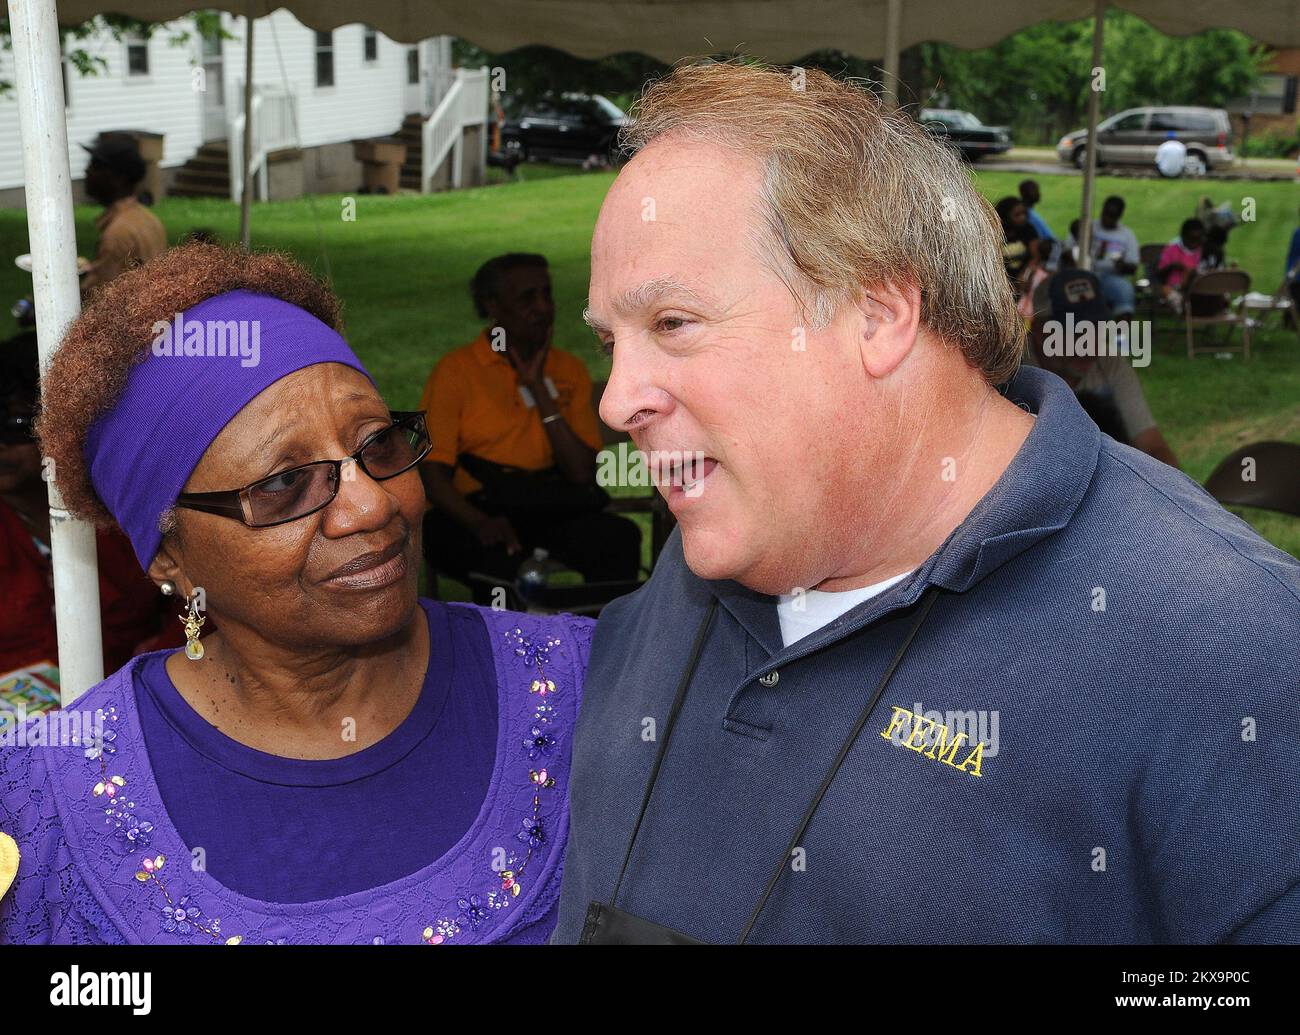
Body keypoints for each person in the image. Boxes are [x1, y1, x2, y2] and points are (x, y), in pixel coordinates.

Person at [554, 61, 1298, 945]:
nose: (613, 399)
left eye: (672, 324)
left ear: (877, 312)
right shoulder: (718, 533)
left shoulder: (1238, 651)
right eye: (610, 341)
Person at [0, 243, 591, 944]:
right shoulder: (49, 804)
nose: (371, 506)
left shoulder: (581, 686)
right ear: (167, 551)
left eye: (377, 444)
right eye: (284, 484)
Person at [418, 253, 640, 600]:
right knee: (496, 562)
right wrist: (479, 522)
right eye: (527, 298)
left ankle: (600, 643)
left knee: (616, 538)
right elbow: (432, 475)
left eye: (546, 294)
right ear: (493, 306)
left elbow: (581, 473)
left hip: (548, 503)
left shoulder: (567, 370)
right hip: (479, 508)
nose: (542, 307)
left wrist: (538, 386)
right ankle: (509, 649)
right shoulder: (457, 372)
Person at [0, 333, 180, 675]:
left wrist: (161, 655)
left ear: (61, 425)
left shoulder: (125, 505)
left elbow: (204, 603)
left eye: (15, 427)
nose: (1, 447)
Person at [1024, 270, 1180, 468]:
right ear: (1040, 331)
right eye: (1076, 330)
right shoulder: (1010, 374)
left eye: (1097, 326)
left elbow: (1152, 447)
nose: (1091, 342)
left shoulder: (1110, 363)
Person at [78, 135, 166, 297]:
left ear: (120, 179)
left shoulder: (117, 233)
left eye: (96, 165)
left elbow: (101, 299)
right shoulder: (148, 218)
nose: (87, 170)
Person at [1086, 196, 1141, 318]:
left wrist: (1122, 265)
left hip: (1111, 277)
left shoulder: (1127, 235)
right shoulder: (1088, 227)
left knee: (1125, 290)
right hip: (1086, 274)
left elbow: (1133, 267)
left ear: (1119, 216)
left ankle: (1120, 336)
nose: (1107, 218)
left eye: (1112, 216)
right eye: (1105, 213)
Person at [1155, 218, 1205, 312]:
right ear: (1183, 236)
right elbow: (1159, 273)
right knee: (1167, 290)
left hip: (1198, 288)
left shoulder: (1204, 251)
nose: (1194, 244)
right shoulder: (1171, 249)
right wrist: (1172, 266)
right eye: (1191, 240)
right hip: (1174, 287)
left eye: (1197, 240)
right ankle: (1183, 308)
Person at [994, 196, 1039, 299]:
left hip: (1024, 277)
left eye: (1024, 213)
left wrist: (1025, 275)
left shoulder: (1029, 230)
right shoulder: (996, 232)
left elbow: (1035, 256)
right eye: (1017, 215)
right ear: (1006, 217)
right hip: (1001, 279)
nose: (1022, 217)